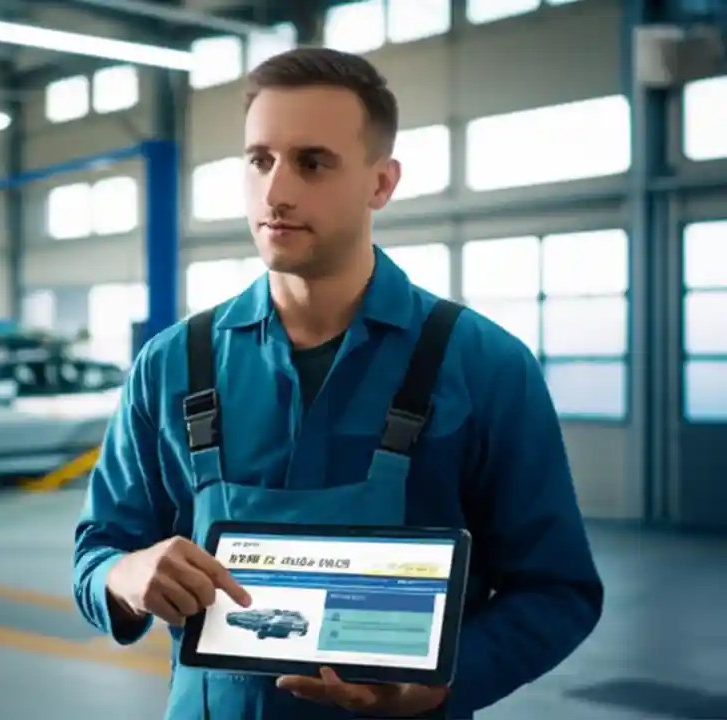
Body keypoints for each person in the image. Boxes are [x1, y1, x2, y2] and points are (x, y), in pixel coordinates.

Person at [72, 46, 603, 720]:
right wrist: (125, 575)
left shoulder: (484, 365)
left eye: (312, 162)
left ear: (380, 183)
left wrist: (441, 684)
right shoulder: (171, 365)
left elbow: (557, 590)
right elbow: (100, 549)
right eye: (259, 160)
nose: (276, 191)